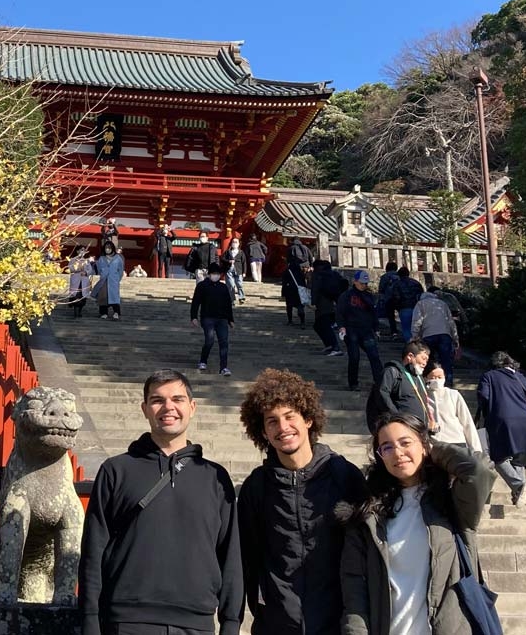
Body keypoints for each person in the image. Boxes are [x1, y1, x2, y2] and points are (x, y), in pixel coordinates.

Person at [79, 369, 243, 635]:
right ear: (144, 408)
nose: (168, 407)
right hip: (127, 621)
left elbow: (231, 556)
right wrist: (89, 618)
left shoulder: (215, 477)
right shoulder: (116, 470)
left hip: (196, 623)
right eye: (157, 400)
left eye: (177, 399)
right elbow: (93, 551)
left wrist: (231, 622)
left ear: (192, 407)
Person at [340, 413, 495, 635]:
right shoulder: (368, 515)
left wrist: (433, 449)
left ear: (424, 444)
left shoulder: (453, 504)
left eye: (405, 442)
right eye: (387, 447)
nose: (398, 453)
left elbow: (478, 469)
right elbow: (355, 589)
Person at [237, 369, 365, 635]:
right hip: (276, 624)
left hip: (337, 623)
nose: (282, 427)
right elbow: (248, 557)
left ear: (308, 419)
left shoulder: (344, 476)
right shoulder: (256, 487)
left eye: (289, 416)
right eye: (272, 421)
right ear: (263, 431)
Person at [477, 351, 526, 506]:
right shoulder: (522, 378)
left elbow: (484, 397)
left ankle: (519, 486)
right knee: (518, 459)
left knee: (497, 456)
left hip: (503, 420)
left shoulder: (489, 376)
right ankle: (519, 495)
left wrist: (487, 415)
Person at [367, 341, 432, 431]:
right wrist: (397, 418)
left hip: (419, 430)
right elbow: (382, 395)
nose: (425, 363)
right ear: (410, 356)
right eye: (423, 358)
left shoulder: (419, 378)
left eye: (427, 361)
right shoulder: (392, 371)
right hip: (401, 429)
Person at [336, 270, 384, 392]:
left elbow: (373, 314)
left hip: (366, 330)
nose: (364, 285)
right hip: (351, 329)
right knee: (354, 357)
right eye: (362, 283)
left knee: (374, 356)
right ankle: (353, 383)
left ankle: (380, 382)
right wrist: (341, 326)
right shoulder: (346, 296)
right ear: (355, 282)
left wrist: (376, 328)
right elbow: (340, 312)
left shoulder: (369, 296)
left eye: (365, 283)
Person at [425, 365, 483, 454]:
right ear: (426, 378)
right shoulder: (423, 396)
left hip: (456, 441)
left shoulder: (453, 394)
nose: (437, 380)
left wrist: (476, 448)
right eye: (433, 377)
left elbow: (467, 421)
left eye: (440, 377)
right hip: (434, 444)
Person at [192, 262, 236, 376]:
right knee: (209, 340)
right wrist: (194, 317)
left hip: (222, 319)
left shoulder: (223, 287)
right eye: (214, 273)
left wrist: (231, 319)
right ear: (209, 274)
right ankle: (203, 360)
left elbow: (228, 304)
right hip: (208, 318)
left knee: (224, 342)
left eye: (218, 274)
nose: (216, 275)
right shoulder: (202, 286)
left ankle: (223, 367)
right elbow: (196, 302)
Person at [412, 291, 460, 386]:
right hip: (445, 334)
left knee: (429, 359)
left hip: (428, 334)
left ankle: (429, 380)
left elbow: (417, 321)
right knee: (446, 360)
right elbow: (451, 322)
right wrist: (455, 338)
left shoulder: (420, 304)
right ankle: (448, 382)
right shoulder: (443, 304)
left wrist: (415, 336)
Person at [311, 259, 346, 357]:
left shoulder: (318, 275)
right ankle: (329, 345)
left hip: (324, 304)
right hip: (336, 302)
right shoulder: (334, 274)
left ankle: (335, 347)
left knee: (324, 326)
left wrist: (313, 302)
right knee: (318, 325)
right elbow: (344, 284)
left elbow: (315, 289)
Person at [93, 240, 125, 320]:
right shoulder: (102, 258)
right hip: (104, 280)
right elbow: (99, 269)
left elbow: (120, 270)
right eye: (106, 248)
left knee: (114, 297)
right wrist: (103, 274)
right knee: (103, 296)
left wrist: (117, 279)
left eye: (109, 248)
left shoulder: (118, 258)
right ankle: (103, 313)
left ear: (112, 248)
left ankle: (116, 312)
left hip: (113, 280)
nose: (107, 249)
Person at [392, 268, 424, 342]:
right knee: (418, 329)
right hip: (417, 308)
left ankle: (410, 345)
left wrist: (397, 307)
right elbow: (421, 295)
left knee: (406, 329)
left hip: (404, 307)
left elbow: (396, 297)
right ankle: (418, 345)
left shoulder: (397, 284)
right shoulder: (416, 283)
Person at [280, 259, 307, 327]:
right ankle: (302, 322)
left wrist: (283, 293)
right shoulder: (300, 272)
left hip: (289, 291)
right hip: (299, 291)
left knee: (289, 306)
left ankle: (290, 320)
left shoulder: (287, 272)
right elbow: (304, 282)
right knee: (300, 306)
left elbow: (284, 283)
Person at [376, 263, 400, 338]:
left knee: (391, 316)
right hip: (399, 298)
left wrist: (381, 299)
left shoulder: (385, 276)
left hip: (388, 298)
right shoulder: (399, 276)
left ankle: (394, 332)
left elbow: (381, 289)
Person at [222, 237, 248, 304]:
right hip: (229, 270)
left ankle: (241, 297)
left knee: (239, 285)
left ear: (239, 243)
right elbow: (222, 259)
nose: (234, 243)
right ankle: (232, 299)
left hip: (238, 270)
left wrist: (244, 272)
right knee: (231, 285)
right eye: (233, 242)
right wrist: (229, 261)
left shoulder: (241, 252)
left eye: (236, 242)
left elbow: (244, 262)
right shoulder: (228, 252)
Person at [68, 252, 92, 318]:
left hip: (84, 281)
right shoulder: (73, 260)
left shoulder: (86, 260)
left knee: (82, 296)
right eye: (80, 250)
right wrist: (78, 268)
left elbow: (90, 270)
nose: (82, 252)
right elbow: (70, 268)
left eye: (83, 250)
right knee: (75, 296)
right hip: (76, 280)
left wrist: (86, 272)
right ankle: (75, 311)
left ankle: (80, 311)